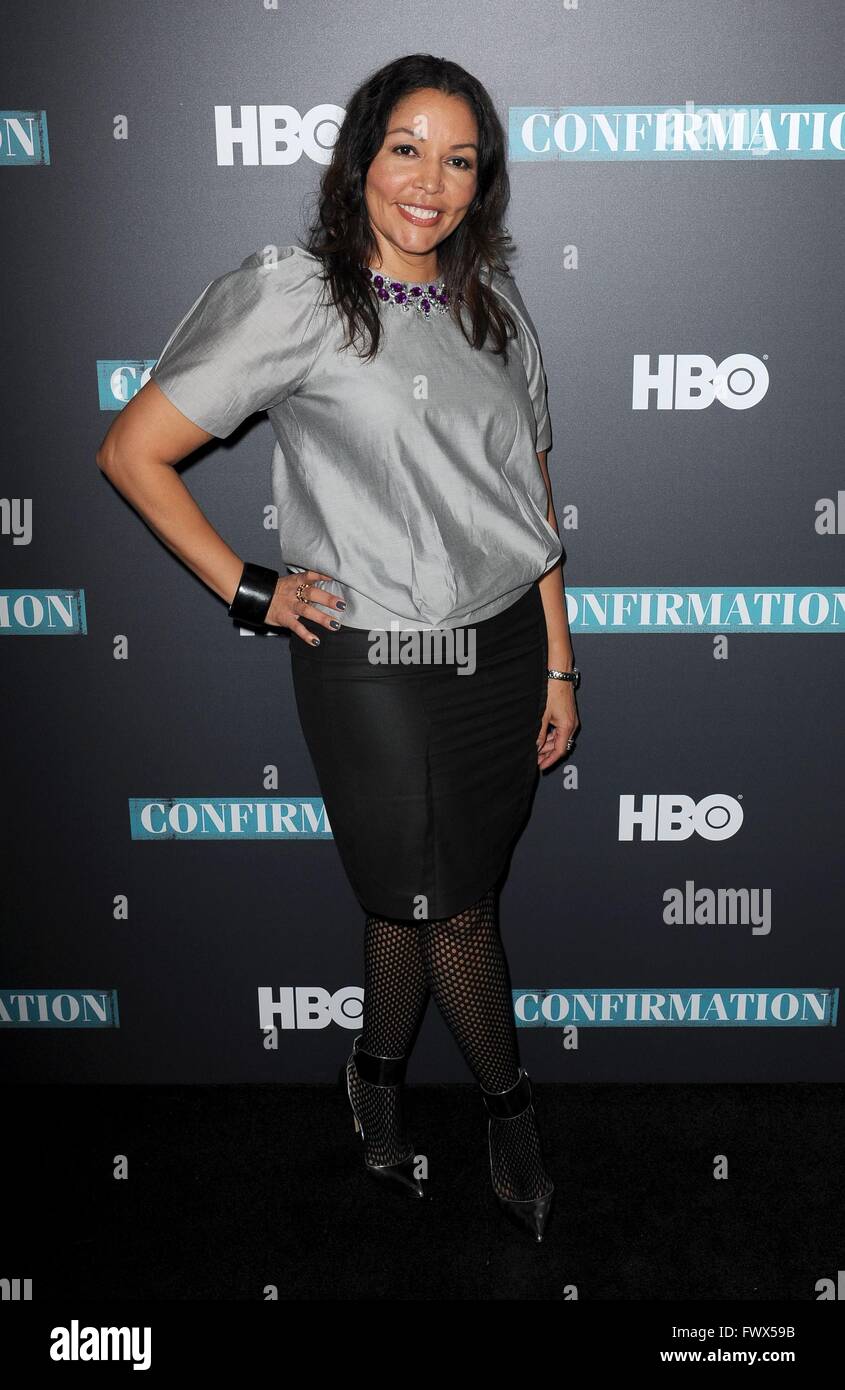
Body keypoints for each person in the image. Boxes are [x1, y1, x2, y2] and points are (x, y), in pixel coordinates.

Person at [95, 53, 580, 1244]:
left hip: (506, 648)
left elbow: (531, 494)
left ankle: (370, 1076)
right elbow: (132, 452)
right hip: (375, 667)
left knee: (412, 897)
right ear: (361, 156)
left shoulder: (492, 304)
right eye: (406, 147)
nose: (430, 179)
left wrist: (561, 660)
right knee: (455, 913)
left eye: (458, 158)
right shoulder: (297, 296)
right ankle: (510, 1119)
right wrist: (249, 587)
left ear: (483, 181)